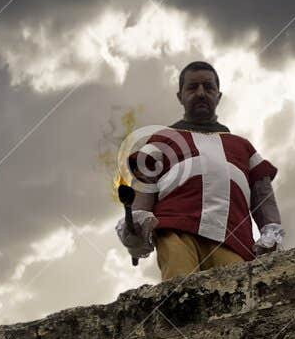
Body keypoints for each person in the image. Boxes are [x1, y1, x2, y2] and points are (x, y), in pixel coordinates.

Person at [115, 61, 283, 280]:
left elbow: (262, 193)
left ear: (218, 96)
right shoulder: (161, 140)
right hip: (175, 231)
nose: (201, 93)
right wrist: (136, 223)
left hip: (233, 239)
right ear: (180, 96)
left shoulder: (243, 146)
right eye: (192, 87)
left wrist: (271, 229)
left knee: (236, 296)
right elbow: (145, 187)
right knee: (180, 290)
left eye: (208, 87)